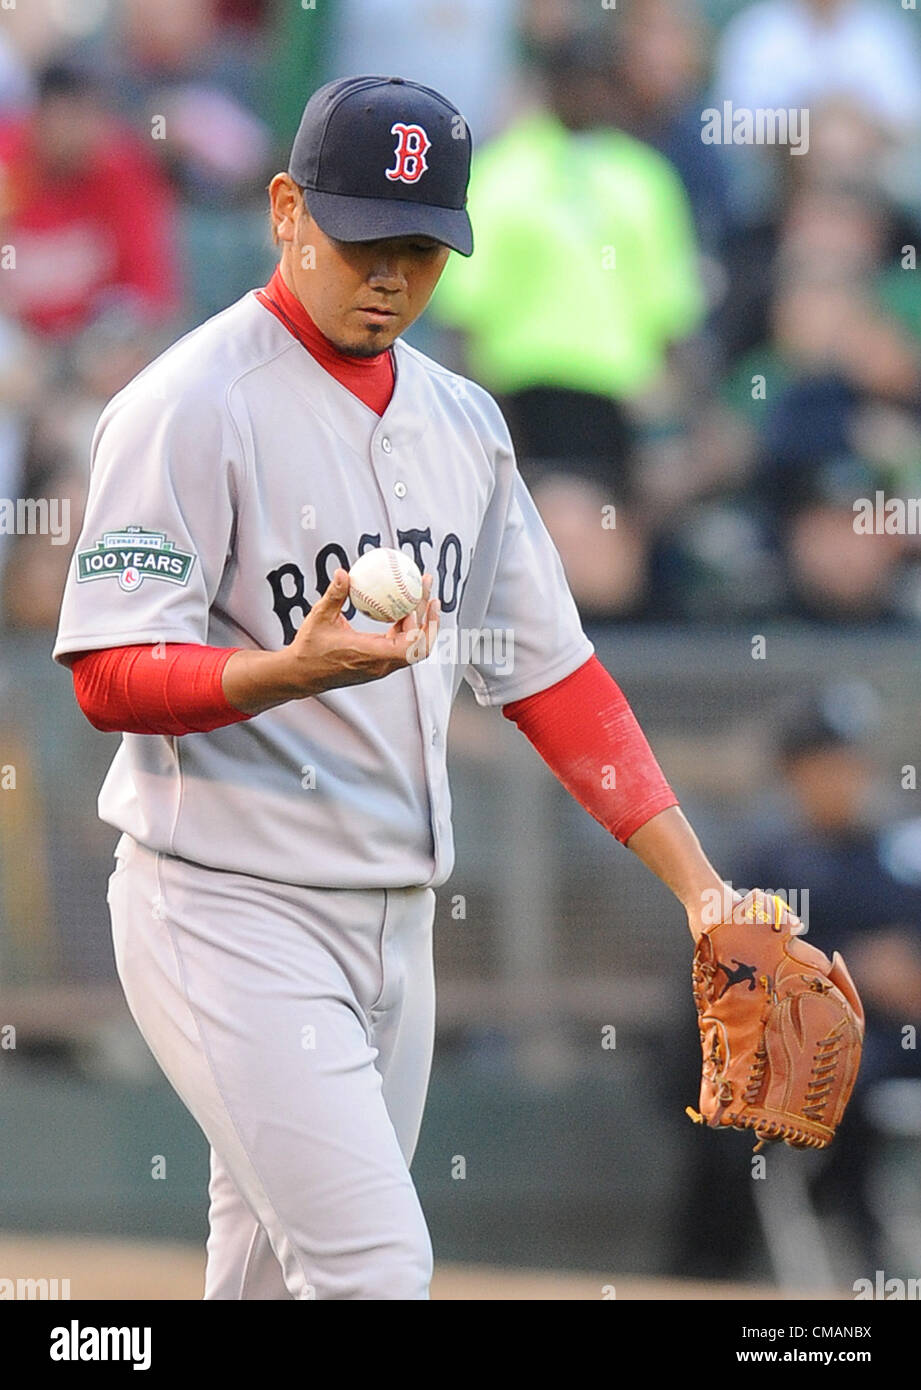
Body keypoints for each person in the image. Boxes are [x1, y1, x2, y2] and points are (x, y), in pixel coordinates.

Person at [54, 75, 790, 1301]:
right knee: (373, 1269)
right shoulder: (184, 406)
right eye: (361, 238)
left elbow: (552, 677)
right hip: (227, 908)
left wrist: (704, 894)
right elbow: (108, 673)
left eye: (419, 248)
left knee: (268, 1276)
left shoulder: (464, 424)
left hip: (399, 921)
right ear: (287, 211)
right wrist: (280, 672)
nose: (389, 276)